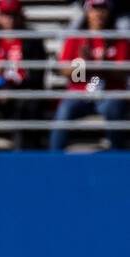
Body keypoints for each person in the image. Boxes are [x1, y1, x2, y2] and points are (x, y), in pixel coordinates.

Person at [51, 0, 129, 151]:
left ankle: (117, 156)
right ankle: (54, 159)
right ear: (87, 11)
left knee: (114, 109)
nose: (98, 13)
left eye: (103, 8)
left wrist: (103, 66)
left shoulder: (119, 40)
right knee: (64, 111)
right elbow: (69, 73)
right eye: (95, 8)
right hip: (81, 92)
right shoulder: (76, 39)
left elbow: (123, 72)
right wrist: (82, 63)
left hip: (109, 93)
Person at [0, 0, 47, 149]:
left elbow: (37, 78)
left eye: (13, 14)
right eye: (6, 14)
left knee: (28, 107)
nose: (10, 19)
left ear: (21, 16)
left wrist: (11, 89)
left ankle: (24, 158)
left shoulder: (32, 40)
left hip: (23, 94)